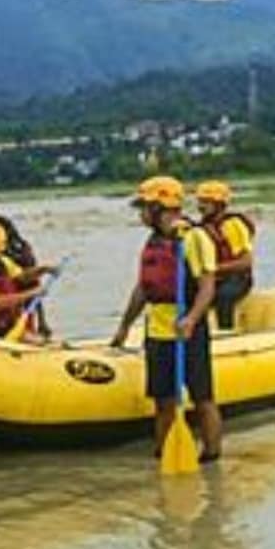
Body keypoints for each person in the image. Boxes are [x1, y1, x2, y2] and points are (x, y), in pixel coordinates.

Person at [109, 176, 224, 463]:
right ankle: (164, 454)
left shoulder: (194, 238)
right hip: (158, 331)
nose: (141, 214)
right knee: (163, 401)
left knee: (202, 398)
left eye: (145, 208)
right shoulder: (152, 241)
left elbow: (208, 286)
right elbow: (142, 289)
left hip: (189, 331)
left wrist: (192, 319)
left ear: (162, 207)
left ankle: (212, 458)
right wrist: (125, 326)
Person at [193, 180, 256, 332]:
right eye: (200, 202)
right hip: (212, 279)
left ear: (220, 204)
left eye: (206, 202)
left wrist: (214, 269)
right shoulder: (201, 229)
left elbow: (246, 262)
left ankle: (226, 332)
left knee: (224, 296)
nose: (201, 207)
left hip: (237, 280)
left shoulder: (233, 225)